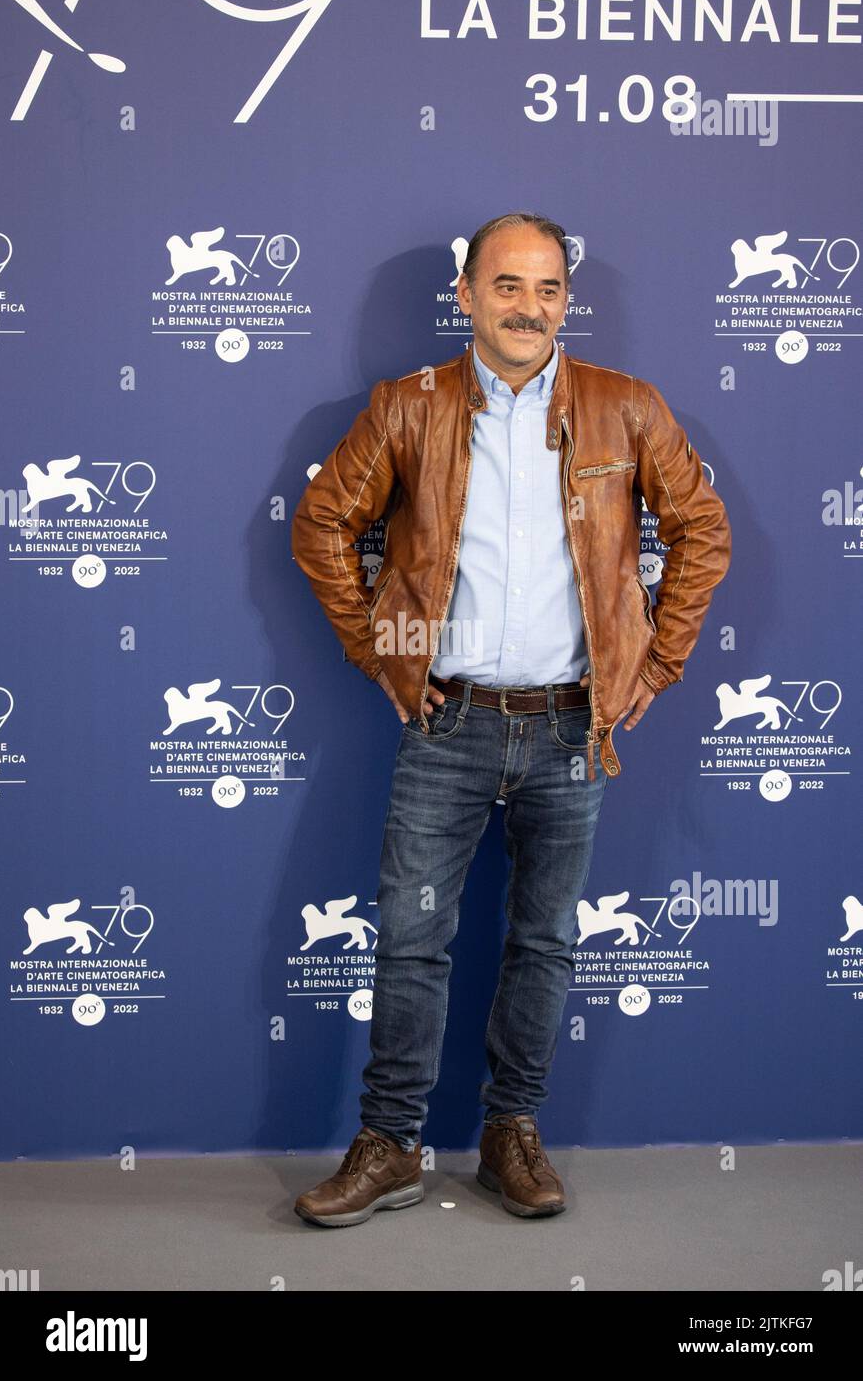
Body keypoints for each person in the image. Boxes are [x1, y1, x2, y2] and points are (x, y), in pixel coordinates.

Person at [290, 211, 731, 1226]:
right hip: (447, 726)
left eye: (548, 290)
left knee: (544, 942)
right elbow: (324, 524)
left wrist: (655, 663)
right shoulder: (408, 407)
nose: (529, 308)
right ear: (467, 295)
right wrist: (383, 652)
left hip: (576, 728)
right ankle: (392, 1143)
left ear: (566, 303)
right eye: (508, 286)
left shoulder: (626, 409)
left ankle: (509, 1135)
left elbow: (702, 527)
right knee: (408, 939)